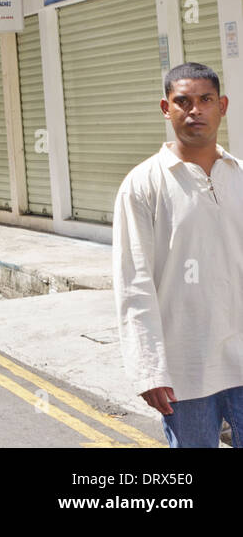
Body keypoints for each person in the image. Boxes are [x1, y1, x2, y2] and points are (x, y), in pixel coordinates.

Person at [113, 62, 242, 448]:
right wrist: (148, 369)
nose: (194, 110)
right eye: (182, 101)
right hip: (185, 370)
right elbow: (132, 282)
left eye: (205, 100)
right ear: (165, 108)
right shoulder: (142, 184)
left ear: (222, 105)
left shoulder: (239, 176)